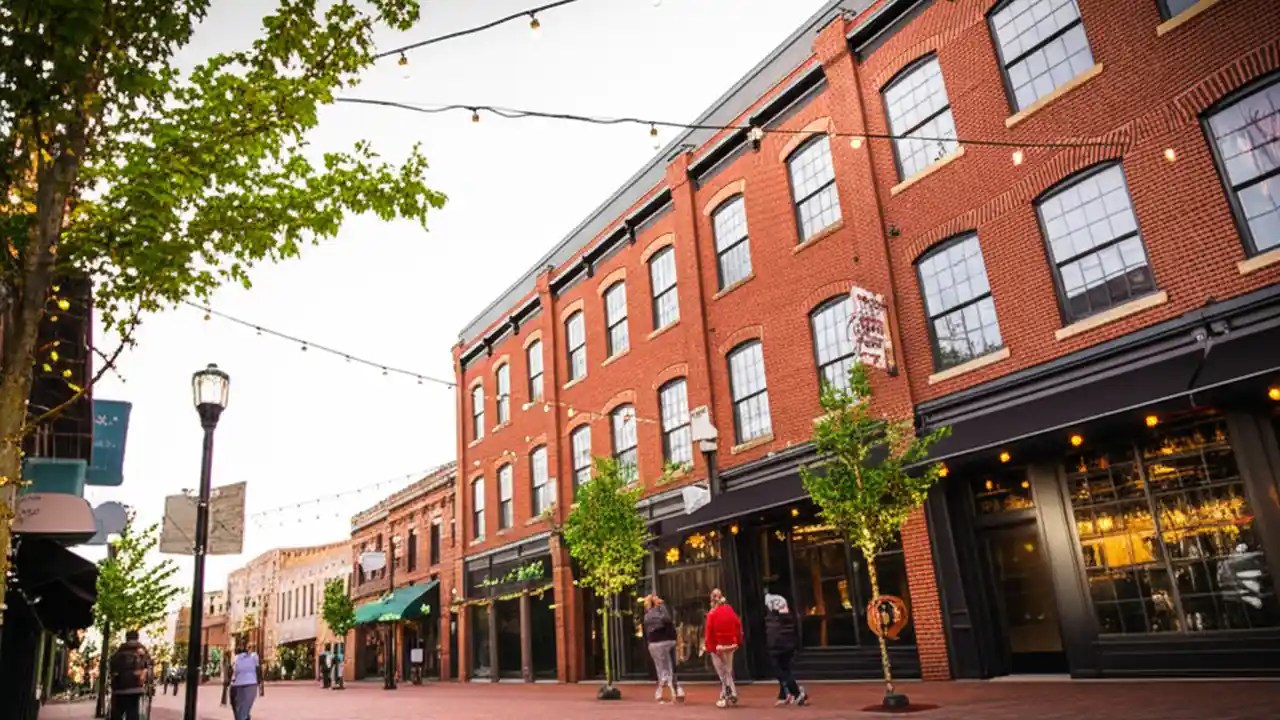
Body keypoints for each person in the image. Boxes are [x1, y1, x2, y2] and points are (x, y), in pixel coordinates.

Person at [764, 593, 807, 706]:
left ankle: (796, 692)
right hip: (788, 646)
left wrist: (770, 646)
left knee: (781, 671)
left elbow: (772, 634)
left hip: (777, 648)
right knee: (785, 668)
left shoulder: (774, 618)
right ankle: (784, 695)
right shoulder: (788, 617)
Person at [703, 588, 742, 708]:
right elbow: (738, 624)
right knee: (728, 670)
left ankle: (727, 696)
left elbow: (709, 633)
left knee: (722, 673)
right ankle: (732, 693)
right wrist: (737, 641)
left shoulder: (712, 614)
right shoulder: (729, 610)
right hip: (730, 645)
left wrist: (710, 647)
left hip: (718, 647)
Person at [642, 594, 684, 703]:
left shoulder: (647, 615)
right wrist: (662, 604)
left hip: (656, 643)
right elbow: (667, 619)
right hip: (668, 641)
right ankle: (675, 689)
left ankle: (662, 689)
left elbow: (648, 631)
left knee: (661, 667)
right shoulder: (660, 611)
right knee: (671, 666)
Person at [108, 630, 151, 720]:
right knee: (133, 711)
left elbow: (112, 667)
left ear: (126, 638)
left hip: (119, 688)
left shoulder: (119, 650)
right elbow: (149, 666)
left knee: (117, 712)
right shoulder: (142, 651)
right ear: (137, 637)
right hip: (135, 688)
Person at [229, 644, 260, 720]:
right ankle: (245, 717)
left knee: (239, 709)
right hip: (251, 683)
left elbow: (231, 671)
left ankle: (243, 717)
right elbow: (258, 669)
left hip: (237, 685)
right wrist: (260, 682)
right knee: (245, 708)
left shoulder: (235, 658)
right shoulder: (254, 657)